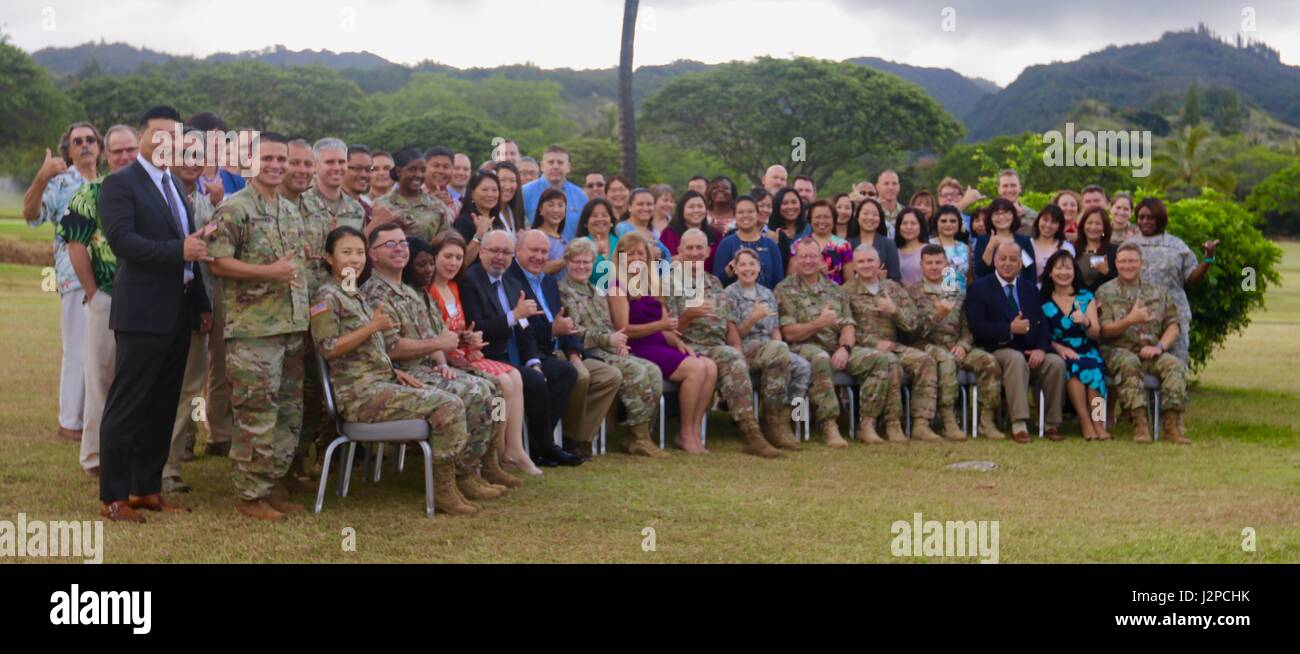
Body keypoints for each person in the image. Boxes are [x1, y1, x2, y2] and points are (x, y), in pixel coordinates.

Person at [311, 226, 477, 515]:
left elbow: (372, 349)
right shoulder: (327, 296)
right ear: (328, 257)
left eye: (360, 252)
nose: (355, 259)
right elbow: (328, 347)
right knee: (448, 404)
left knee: (448, 399)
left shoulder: (353, 293)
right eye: (346, 252)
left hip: (379, 383)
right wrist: (371, 327)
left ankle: (456, 481)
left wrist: (393, 372)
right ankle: (444, 490)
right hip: (358, 396)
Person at [96, 106, 211, 522]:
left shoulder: (175, 185)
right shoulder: (120, 183)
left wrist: (200, 302)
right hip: (142, 312)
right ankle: (113, 496)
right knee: (128, 405)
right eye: (160, 135)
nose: (168, 144)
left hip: (178, 311)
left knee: (163, 405)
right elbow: (123, 242)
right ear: (143, 136)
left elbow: (190, 247)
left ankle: (146, 489)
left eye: (175, 138)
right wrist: (178, 251)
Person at [206, 131, 313, 519]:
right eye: (267, 158)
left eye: (281, 159)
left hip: (290, 328)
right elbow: (216, 262)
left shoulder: (288, 209)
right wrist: (269, 272)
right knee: (256, 415)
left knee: (286, 413)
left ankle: (272, 485)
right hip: (253, 332)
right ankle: (250, 496)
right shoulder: (235, 208)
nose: (275, 165)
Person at [362, 225, 506, 499]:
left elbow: (433, 334)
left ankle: (483, 463)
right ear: (373, 255)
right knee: (475, 392)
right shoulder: (375, 294)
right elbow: (391, 349)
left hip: (426, 367)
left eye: (402, 243)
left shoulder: (408, 291)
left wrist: (445, 355)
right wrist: (438, 345)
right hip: (400, 375)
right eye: (389, 245)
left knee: (494, 388)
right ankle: (460, 475)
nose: (399, 249)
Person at [458, 230, 581, 467]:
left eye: (506, 252)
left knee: (564, 372)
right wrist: (514, 315)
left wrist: (534, 362)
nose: (500, 257)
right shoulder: (471, 281)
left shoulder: (511, 283)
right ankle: (510, 448)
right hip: (490, 357)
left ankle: (538, 446)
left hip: (518, 355)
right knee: (529, 384)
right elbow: (478, 328)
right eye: (494, 251)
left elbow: (525, 330)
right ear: (481, 252)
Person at [57, 124, 140, 477]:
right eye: (117, 151)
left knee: (136, 381)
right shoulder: (91, 194)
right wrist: (92, 293)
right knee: (100, 379)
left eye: (130, 150)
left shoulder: (151, 192)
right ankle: (95, 458)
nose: (124, 156)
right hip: (106, 296)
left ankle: (133, 455)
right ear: (108, 155)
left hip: (145, 302)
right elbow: (75, 244)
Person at [664, 230, 786, 458]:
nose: (694, 253)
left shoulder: (714, 281)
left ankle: (765, 427)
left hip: (717, 346)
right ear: (679, 252)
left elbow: (729, 324)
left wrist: (738, 349)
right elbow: (668, 332)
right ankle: (751, 432)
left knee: (754, 354)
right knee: (730, 358)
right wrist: (689, 315)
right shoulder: (669, 282)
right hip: (687, 347)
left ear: (707, 252)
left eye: (699, 248)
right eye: (689, 248)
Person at [424, 233, 537, 476]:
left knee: (515, 377)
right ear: (434, 258)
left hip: (465, 355)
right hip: (443, 361)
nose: (453, 263)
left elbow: (461, 330)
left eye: (458, 257)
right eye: (447, 257)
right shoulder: (429, 291)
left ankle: (513, 447)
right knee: (502, 385)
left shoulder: (454, 286)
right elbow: (434, 336)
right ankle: (495, 451)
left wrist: (470, 339)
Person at [24, 121, 103, 442]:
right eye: (77, 142)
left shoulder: (110, 183)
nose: (84, 145)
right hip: (73, 277)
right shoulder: (60, 182)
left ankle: (94, 418)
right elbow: (31, 215)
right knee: (77, 350)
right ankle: (70, 420)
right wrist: (43, 177)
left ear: (99, 146)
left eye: (90, 140)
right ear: (68, 151)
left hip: (109, 280)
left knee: (102, 353)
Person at [510, 230, 619, 461]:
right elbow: (521, 330)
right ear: (517, 251)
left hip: (563, 349)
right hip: (534, 353)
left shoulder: (547, 281)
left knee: (610, 375)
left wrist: (573, 351)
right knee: (577, 375)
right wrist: (552, 331)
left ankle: (578, 437)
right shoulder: (513, 281)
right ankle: (556, 441)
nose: (539, 257)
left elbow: (565, 322)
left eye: (543, 252)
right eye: (534, 251)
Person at [558, 238, 665, 457]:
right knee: (636, 371)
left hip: (605, 349)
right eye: (576, 261)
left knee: (653, 370)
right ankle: (639, 437)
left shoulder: (596, 290)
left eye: (587, 262)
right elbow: (574, 332)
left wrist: (619, 344)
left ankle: (638, 434)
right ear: (567, 262)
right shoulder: (563, 291)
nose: (582, 266)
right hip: (584, 352)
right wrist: (610, 340)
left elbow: (608, 325)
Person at [608, 232, 714, 454]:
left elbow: (667, 325)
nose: (636, 257)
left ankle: (694, 431)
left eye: (640, 253)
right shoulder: (617, 286)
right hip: (638, 346)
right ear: (620, 257)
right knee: (695, 369)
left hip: (660, 343)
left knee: (709, 367)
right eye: (630, 253)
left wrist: (678, 343)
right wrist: (660, 326)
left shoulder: (652, 284)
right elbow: (624, 329)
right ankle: (685, 433)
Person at [963, 240, 1066, 443]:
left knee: (1056, 363)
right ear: (995, 261)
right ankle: (1019, 423)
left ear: (1020, 263)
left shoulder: (1029, 289)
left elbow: (1043, 324)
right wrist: (1008, 329)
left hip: (1030, 350)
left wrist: (1041, 349)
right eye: (1003, 259)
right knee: (1015, 359)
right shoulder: (979, 288)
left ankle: (1052, 423)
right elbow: (977, 328)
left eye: (1013, 259)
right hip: (997, 350)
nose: (1008, 263)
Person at [165, 129, 221, 490]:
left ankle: (167, 468)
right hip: (154, 306)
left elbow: (209, 262)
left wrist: (204, 305)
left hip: (196, 307)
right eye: (184, 154)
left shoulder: (205, 204)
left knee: (187, 389)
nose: (191, 162)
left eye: (198, 155)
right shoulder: (156, 196)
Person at [842, 245, 944, 442]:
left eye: (870, 260)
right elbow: (845, 327)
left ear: (879, 263)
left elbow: (914, 323)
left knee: (925, 361)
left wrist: (894, 311)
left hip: (894, 346)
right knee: (890, 363)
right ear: (854, 265)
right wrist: (873, 342)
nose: (866, 265)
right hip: (861, 349)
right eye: (861, 261)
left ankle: (921, 424)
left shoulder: (893, 288)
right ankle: (890, 423)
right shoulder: (845, 292)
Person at [907, 244, 1004, 439]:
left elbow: (969, 326)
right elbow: (912, 330)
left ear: (946, 264)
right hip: (927, 345)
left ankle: (986, 421)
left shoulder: (955, 289)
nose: (934, 267)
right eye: (929, 263)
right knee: (946, 360)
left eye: (938, 262)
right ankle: (948, 419)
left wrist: (963, 345)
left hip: (957, 345)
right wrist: (936, 315)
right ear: (921, 265)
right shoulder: (912, 292)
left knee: (989, 362)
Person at [1097, 242, 1190, 443]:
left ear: (1141, 264)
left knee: (1175, 366)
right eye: (1123, 261)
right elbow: (1104, 331)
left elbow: (1173, 326)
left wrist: (1159, 347)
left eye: (1132, 261)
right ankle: (1139, 424)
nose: (1127, 265)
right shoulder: (1105, 292)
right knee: (1129, 362)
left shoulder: (1158, 292)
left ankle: (1171, 425)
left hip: (1150, 351)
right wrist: (1130, 320)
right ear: (1116, 264)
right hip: (1117, 350)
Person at [775, 238, 864, 448]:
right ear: (795, 260)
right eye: (803, 256)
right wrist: (819, 323)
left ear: (821, 258)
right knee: (821, 359)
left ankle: (870, 423)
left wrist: (845, 348)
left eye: (812, 256)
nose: (807, 261)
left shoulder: (835, 289)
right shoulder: (784, 289)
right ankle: (829, 424)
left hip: (836, 347)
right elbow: (789, 333)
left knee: (880, 360)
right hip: (802, 347)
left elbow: (848, 325)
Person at [721, 248, 809, 450]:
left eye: (752, 264)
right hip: (744, 349)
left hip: (771, 347)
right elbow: (731, 336)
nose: (747, 269)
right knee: (778, 351)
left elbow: (775, 329)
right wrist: (753, 318)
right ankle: (770, 421)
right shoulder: (728, 295)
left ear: (759, 267)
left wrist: (781, 348)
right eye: (742, 264)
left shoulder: (767, 293)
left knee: (803, 366)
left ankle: (788, 419)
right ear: (734, 268)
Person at [1128, 197, 1217, 364]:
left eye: (1150, 217)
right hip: (1140, 316)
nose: (1145, 221)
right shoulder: (1129, 245)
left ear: (1160, 219)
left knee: (1175, 366)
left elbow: (1191, 278)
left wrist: (1208, 259)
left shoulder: (1177, 246)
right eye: (1141, 217)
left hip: (1174, 316)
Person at [1040, 250, 1110, 441]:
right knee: (1073, 367)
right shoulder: (1043, 301)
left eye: (1068, 268)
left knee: (1094, 369)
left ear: (1074, 271)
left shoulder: (1085, 296)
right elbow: (1042, 335)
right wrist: (1059, 348)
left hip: (1087, 348)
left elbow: (1095, 331)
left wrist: (1086, 321)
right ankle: (1084, 420)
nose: (1064, 273)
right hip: (1060, 351)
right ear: (1050, 272)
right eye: (1059, 268)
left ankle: (1098, 422)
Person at [301, 138, 367, 294]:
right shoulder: (299, 204)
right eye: (329, 162)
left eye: (341, 162)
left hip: (343, 296)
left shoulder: (357, 210)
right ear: (315, 166)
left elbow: (355, 258)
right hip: (307, 294)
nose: (337, 168)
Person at [374, 148, 453, 243]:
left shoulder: (438, 207)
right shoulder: (380, 204)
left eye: (423, 170)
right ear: (399, 171)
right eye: (413, 169)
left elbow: (445, 244)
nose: (419, 175)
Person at [713, 195, 784, 289]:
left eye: (750, 211)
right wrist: (729, 271)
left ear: (757, 214)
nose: (745, 215)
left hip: (766, 301)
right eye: (741, 212)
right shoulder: (727, 244)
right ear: (735, 216)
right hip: (733, 301)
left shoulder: (770, 244)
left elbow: (779, 283)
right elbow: (716, 283)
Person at [521, 145, 587, 242]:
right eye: (551, 162)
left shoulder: (581, 196)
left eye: (560, 163)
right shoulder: (525, 193)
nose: (555, 166)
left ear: (568, 167)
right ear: (542, 166)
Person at [972, 197, 1037, 283]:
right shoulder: (983, 240)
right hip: (991, 292)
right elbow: (980, 272)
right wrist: (990, 247)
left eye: (1006, 212)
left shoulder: (1024, 241)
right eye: (996, 213)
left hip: (1020, 291)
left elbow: (1031, 271)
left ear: (1013, 215)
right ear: (990, 218)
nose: (1001, 217)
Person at [452, 169, 505, 269]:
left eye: (494, 190)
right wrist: (479, 235)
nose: (490, 194)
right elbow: (461, 262)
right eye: (484, 190)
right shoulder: (463, 222)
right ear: (472, 193)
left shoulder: (497, 220)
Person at [659, 190, 721, 272]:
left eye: (700, 206)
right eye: (691, 207)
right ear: (682, 210)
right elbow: (659, 265)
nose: (696, 210)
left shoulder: (715, 234)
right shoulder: (668, 234)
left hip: (709, 282)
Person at [846, 197, 901, 282]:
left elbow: (895, 277)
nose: (870, 217)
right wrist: (869, 275)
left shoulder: (888, 244)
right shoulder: (847, 244)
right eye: (865, 213)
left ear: (880, 218)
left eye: (875, 214)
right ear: (857, 217)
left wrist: (881, 279)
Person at [615, 187, 672, 261]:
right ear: (630, 207)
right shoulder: (622, 228)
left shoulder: (653, 232)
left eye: (649, 204)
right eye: (640, 204)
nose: (645, 208)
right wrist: (649, 253)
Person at [805, 199, 854, 284]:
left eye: (826, 217)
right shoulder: (799, 244)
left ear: (833, 219)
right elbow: (791, 277)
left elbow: (850, 282)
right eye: (817, 217)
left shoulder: (843, 245)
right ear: (810, 219)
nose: (822, 221)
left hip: (835, 295)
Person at [576, 197, 619, 286]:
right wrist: (594, 253)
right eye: (594, 216)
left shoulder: (621, 242)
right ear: (585, 222)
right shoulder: (579, 245)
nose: (600, 219)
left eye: (604, 215)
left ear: (611, 220)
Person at [529, 187, 570, 280]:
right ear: (541, 209)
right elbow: (539, 268)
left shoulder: (564, 240)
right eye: (550, 205)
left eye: (560, 205)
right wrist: (568, 259)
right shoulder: (535, 236)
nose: (556, 210)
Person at [1073, 206, 1117, 292]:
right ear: (1083, 225)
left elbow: (1121, 280)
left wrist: (1107, 272)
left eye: (1098, 224)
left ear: (1104, 228)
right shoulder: (1072, 249)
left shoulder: (1114, 251)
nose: (1093, 227)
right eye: (1089, 223)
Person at [1030, 203, 1076, 284]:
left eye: (1053, 222)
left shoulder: (1066, 248)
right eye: (1045, 220)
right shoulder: (1028, 244)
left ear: (1060, 226)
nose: (1048, 225)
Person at [929, 204, 971, 292]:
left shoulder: (965, 248)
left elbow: (969, 277)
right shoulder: (928, 245)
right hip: (935, 298)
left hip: (962, 298)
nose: (948, 224)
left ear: (959, 224)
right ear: (936, 223)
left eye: (953, 221)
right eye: (943, 221)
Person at [765, 187, 807, 273]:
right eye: (785, 203)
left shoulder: (810, 229)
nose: (790, 207)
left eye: (794, 202)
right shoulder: (769, 232)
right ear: (777, 206)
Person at [894, 207, 929, 286]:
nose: (909, 227)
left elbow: (949, 273)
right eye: (904, 223)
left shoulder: (930, 249)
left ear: (921, 226)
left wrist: (948, 296)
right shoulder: (894, 252)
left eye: (913, 223)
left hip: (930, 297)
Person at [876, 170, 903, 235]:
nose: (891, 187)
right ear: (877, 187)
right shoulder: (870, 213)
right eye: (886, 183)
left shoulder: (905, 213)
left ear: (899, 187)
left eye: (894, 184)